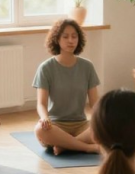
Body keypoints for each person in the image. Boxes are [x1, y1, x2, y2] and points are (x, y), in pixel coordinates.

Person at [33, 19, 101, 155]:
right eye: (65, 36)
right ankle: (86, 147)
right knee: (40, 129)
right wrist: (45, 118)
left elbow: (95, 103)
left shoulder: (87, 67)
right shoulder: (46, 68)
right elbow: (41, 103)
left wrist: (100, 120)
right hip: (56, 125)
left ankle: (65, 146)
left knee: (106, 127)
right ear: (57, 39)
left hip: (81, 125)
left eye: (74, 36)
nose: (70, 40)